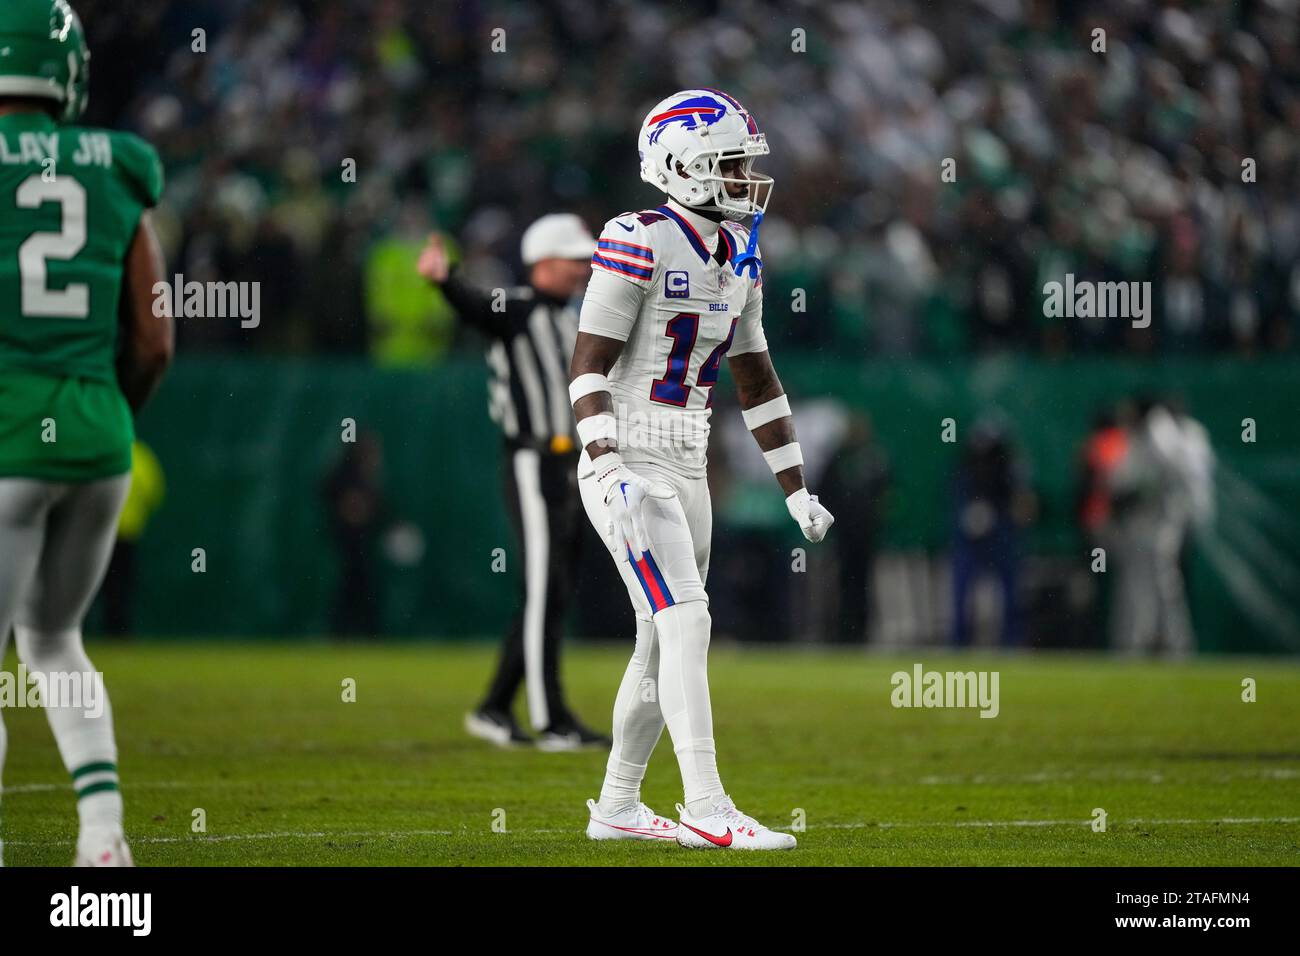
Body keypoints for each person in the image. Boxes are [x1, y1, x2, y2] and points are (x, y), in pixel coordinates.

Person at [569, 89, 834, 849]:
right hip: (631, 453)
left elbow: (756, 378)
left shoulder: (742, 251)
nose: (748, 178)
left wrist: (795, 489)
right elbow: (587, 367)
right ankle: (706, 804)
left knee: (660, 639)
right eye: (732, 163)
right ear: (682, 166)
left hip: (689, 455)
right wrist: (608, 460)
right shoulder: (639, 236)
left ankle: (617, 806)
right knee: (687, 617)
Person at [0, 0, 173, 867]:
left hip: (4, 434)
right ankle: (103, 842)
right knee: (54, 639)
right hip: (98, 430)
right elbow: (154, 337)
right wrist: (109, 415)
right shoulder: (117, 162)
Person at [418, 214, 610, 750]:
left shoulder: (572, 318)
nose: (580, 269)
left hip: (572, 464)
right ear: (543, 261)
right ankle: (551, 720)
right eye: (572, 259)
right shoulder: (520, 309)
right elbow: (478, 307)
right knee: (545, 588)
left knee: (550, 593)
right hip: (534, 461)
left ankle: (495, 707)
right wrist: (445, 279)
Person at [101, 440, 166, 636]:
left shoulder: (99, 453)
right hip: (124, 534)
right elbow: (154, 494)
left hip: (101, 534)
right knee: (120, 586)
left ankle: (114, 633)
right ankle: (118, 633)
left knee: (97, 587)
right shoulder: (140, 455)